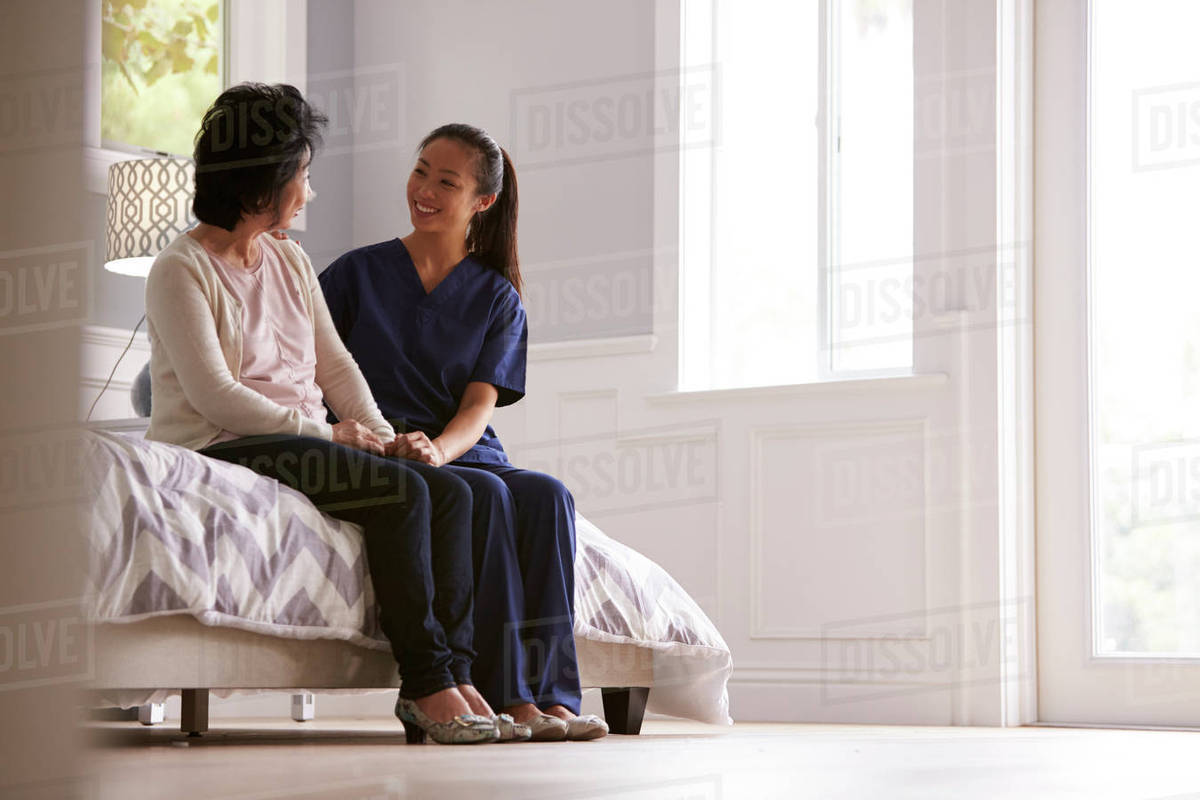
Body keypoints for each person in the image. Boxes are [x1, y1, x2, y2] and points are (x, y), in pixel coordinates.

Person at [144, 85, 517, 745]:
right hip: (227, 442)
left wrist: (381, 435)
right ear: (266, 183)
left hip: (299, 439)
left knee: (452, 492)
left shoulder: (290, 260)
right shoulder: (181, 269)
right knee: (401, 496)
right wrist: (328, 433)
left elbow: (336, 369)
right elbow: (215, 396)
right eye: (304, 177)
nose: (309, 192)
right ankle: (426, 683)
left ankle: (454, 673)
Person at [320, 123, 608, 741]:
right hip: (382, 443)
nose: (423, 189)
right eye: (420, 170)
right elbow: (308, 370)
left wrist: (439, 450)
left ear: (481, 202)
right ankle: (507, 694)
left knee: (548, 494)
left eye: (445, 181)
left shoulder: (498, 296)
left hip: (461, 446)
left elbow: (480, 407)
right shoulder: (353, 276)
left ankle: (554, 696)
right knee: (490, 496)